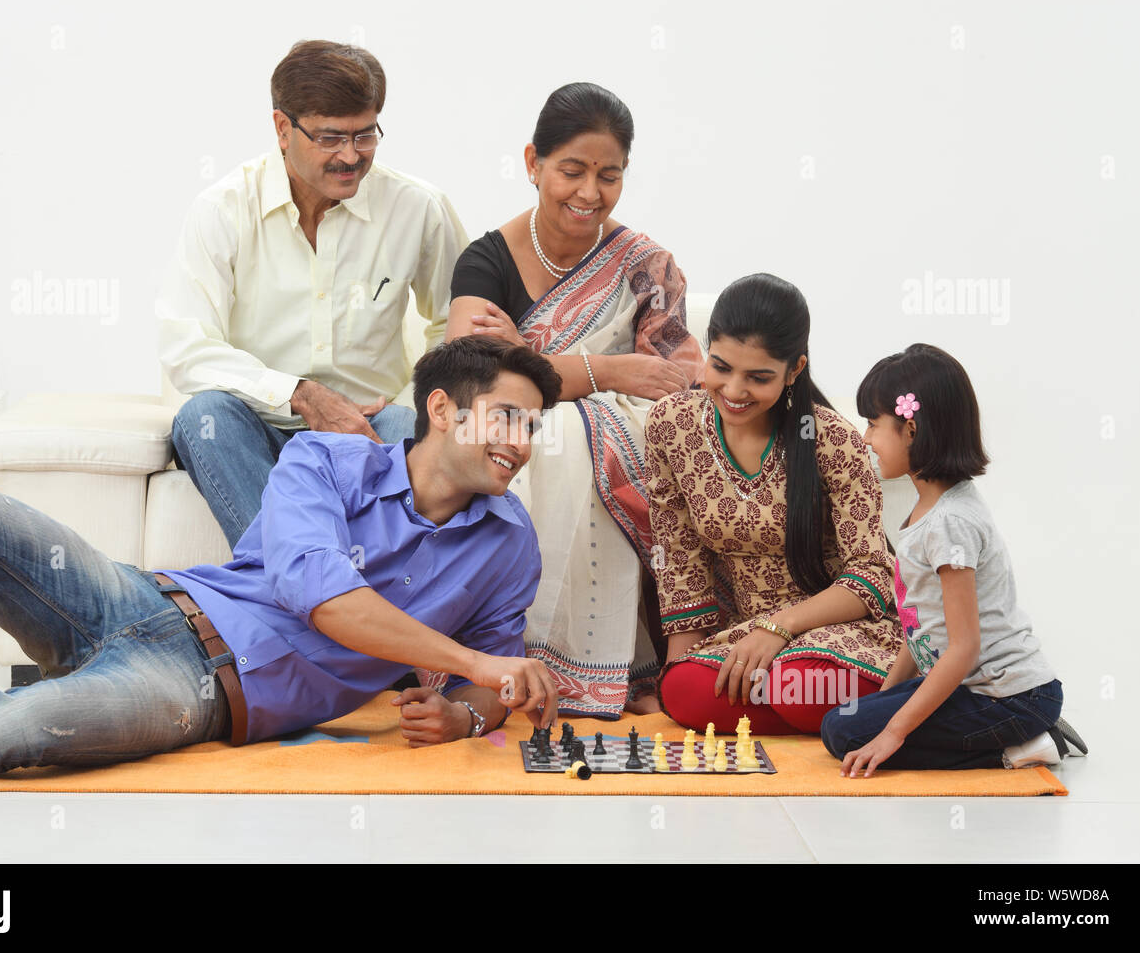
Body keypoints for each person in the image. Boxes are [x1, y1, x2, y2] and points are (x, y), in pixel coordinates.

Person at [0, 337, 561, 775]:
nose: (522, 441)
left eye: (533, 426)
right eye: (508, 417)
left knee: (8, 726)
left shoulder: (508, 545)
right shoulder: (326, 459)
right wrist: (474, 666)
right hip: (136, 597)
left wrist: (464, 715)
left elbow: (492, 670)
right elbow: (321, 595)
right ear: (443, 410)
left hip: (197, 693)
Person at [444, 83, 704, 718]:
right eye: (573, 171)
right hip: (513, 427)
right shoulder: (486, 262)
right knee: (548, 435)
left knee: (578, 434)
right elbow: (472, 380)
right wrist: (609, 370)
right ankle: (509, 661)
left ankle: (609, 672)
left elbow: (671, 384)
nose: (590, 192)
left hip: (612, 436)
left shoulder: (645, 265)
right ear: (533, 163)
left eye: (608, 175)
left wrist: (536, 366)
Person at [159, 39, 469, 548]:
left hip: (372, 423)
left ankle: (300, 594)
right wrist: (301, 395)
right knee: (203, 417)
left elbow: (456, 322)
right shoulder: (222, 210)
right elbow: (185, 345)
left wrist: (406, 399)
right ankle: (304, 583)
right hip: (258, 423)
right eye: (330, 138)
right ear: (283, 129)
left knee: (421, 429)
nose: (351, 156)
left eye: (365, 135)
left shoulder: (419, 208)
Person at [650, 274, 900, 734]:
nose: (734, 390)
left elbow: (872, 573)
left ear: (794, 369)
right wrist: (677, 674)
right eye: (721, 367)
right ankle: (851, 713)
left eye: (758, 377)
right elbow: (679, 560)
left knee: (798, 682)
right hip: (749, 643)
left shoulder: (832, 441)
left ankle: (860, 702)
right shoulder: (672, 425)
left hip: (837, 632)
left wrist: (779, 628)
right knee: (685, 690)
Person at [821, 344, 1086, 775]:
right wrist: (881, 703)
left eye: (872, 424)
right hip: (973, 688)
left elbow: (963, 647)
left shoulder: (949, 522)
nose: (865, 438)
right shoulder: (927, 510)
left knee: (844, 733)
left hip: (1009, 697)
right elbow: (920, 628)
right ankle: (1019, 733)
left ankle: (1028, 742)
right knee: (846, 722)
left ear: (911, 429)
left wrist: (890, 731)